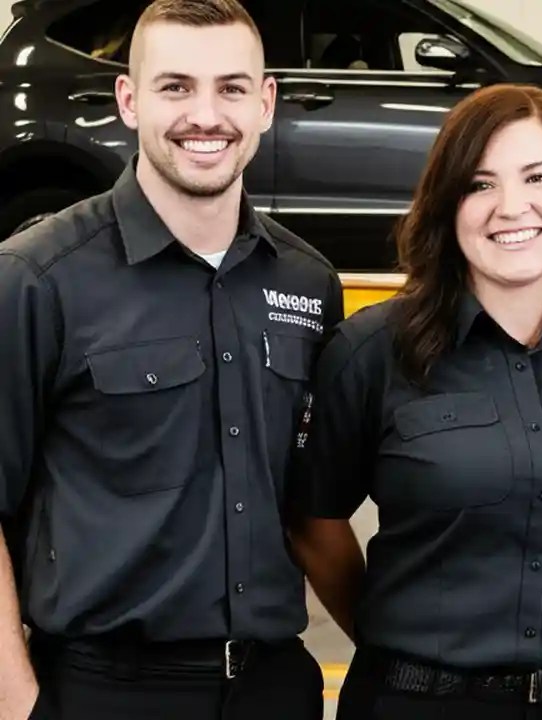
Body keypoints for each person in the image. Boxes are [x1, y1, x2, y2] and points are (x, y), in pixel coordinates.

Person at [0, 1, 343, 719]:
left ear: (266, 103)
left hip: (273, 687)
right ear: (129, 100)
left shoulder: (308, 283)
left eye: (231, 87)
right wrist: (18, 704)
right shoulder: (37, 279)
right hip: (106, 690)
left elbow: (311, 508)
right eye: (176, 86)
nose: (206, 115)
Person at [288, 82, 542, 720]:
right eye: (480, 184)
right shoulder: (372, 351)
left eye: (538, 177)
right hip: (416, 703)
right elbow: (312, 520)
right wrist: (399, 643)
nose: (511, 207)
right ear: (446, 204)